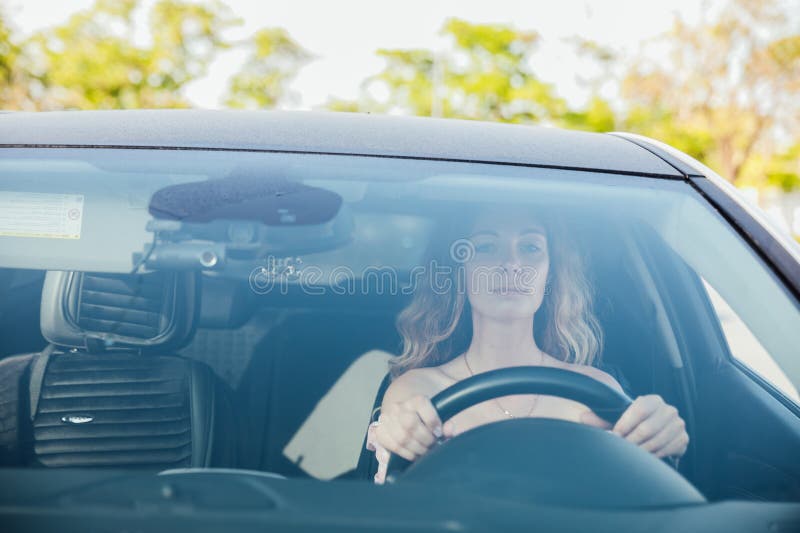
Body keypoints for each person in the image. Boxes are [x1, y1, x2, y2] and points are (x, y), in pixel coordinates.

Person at [365, 206, 689, 484]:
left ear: (550, 272)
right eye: (487, 247)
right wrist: (399, 441)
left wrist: (659, 440)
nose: (511, 264)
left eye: (531, 248)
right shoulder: (417, 393)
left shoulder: (597, 390)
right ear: (460, 270)